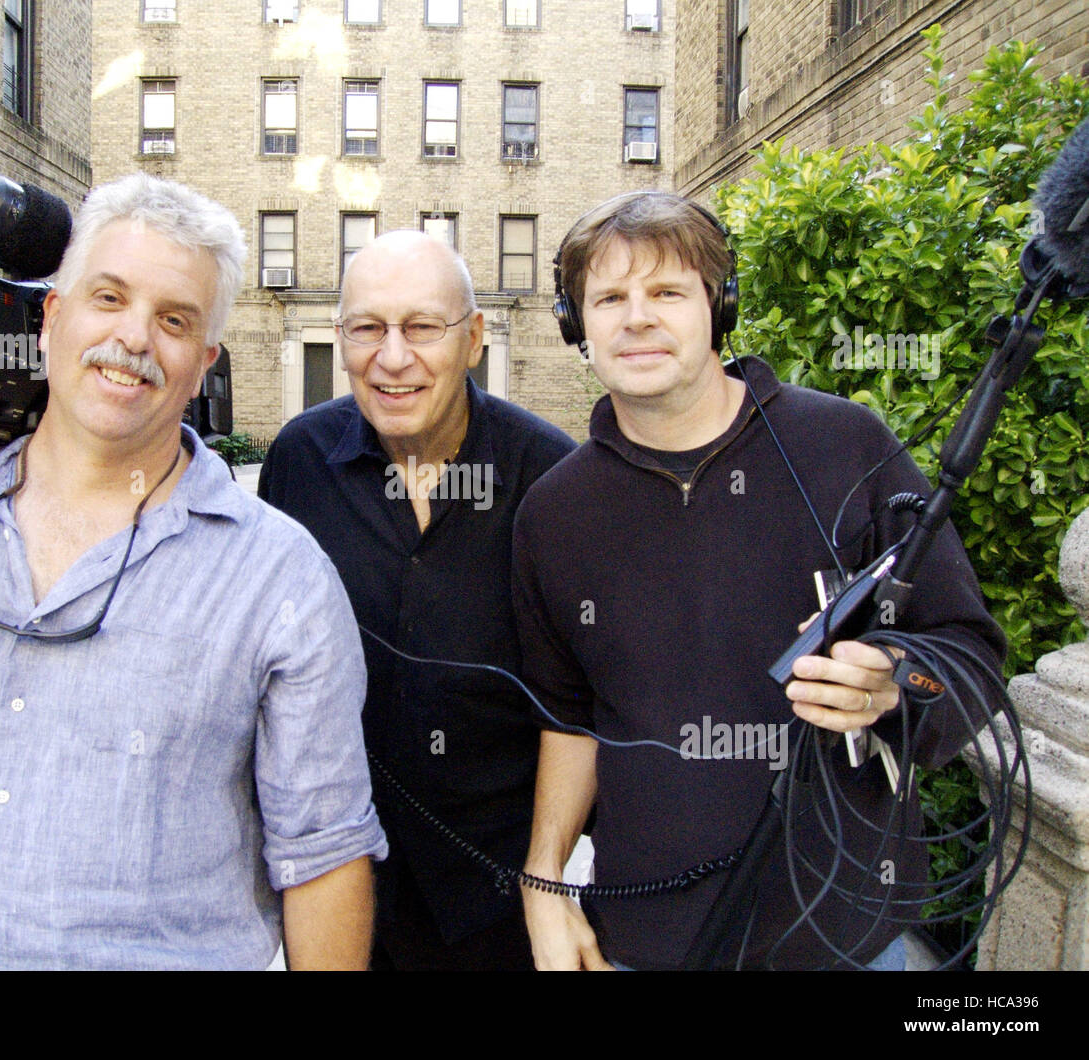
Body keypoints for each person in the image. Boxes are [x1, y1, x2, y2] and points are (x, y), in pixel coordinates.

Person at [0, 172, 387, 970]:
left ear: (203, 359)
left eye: (173, 319)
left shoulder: (279, 579)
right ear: (53, 316)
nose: (135, 337)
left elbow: (322, 855)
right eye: (108, 297)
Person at [514, 190, 1005, 970]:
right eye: (608, 298)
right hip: (648, 942)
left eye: (667, 292)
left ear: (721, 306)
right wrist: (543, 880)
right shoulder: (554, 512)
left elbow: (968, 651)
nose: (636, 317)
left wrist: (893, 686)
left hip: (848, 938)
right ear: (578, 326)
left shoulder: (847, 445)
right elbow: (569, 716)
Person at [259, 230, 575, 970]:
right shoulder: (299, 462)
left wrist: (548, 874)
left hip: (497, 897)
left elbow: (581, 698)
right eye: (368, 328)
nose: (392, 357)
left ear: (472, 339)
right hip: (334, 890)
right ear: (340, 340)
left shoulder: (550, 477)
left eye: (422, 328)